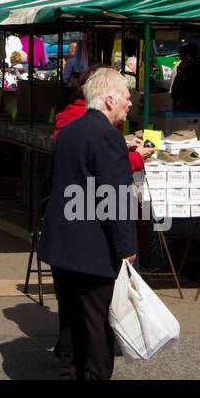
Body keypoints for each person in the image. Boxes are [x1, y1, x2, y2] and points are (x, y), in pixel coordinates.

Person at [38, 67, 137, 380]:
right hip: (92, 247)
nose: (129, 103)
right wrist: (127, 248)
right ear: (109, 100)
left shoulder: (68, 131)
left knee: (70, 317)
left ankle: (69, 373)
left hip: (61, 242)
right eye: (126, 96)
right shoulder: (108, 136)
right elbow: (115, 198)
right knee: (97, 322)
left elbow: (51, 181)